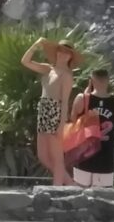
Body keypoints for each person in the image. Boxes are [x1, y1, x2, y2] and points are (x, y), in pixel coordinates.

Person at [20, 35, 80, 186]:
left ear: (71, 57)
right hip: (43, 109)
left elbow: (65, 100)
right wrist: (35, 45)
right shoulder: (48, 69)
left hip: (55, 110)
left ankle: (57, 188)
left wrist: (61, 123)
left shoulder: (66, 75)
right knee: (43, 157)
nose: (63, 54)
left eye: (67, 53)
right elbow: (25, 61)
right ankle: (71, 185)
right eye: (60, 51)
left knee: (56, 157)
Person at [66, 66, 114, 189]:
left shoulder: (82, 99)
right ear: (108, 80)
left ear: (91, 80)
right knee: (104, 196)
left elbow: (73, 119)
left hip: (85, 154)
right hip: (106, 156)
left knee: (80, 192)